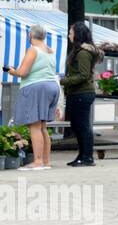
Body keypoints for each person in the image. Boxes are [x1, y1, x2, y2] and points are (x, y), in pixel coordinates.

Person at [3, 24, 60, 170]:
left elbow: (23, 72)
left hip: (36, 88)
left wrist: (12, 71)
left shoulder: (33, 50)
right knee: (42, 127)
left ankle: (37, 162)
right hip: (52, 86)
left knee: (34, 126)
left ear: (30, 35)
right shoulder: (50, 51)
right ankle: (46, 161)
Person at [62, 21, 102, 166]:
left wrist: (63, 81)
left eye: (71, 33)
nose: (69, 36)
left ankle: (87, 157)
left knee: (82, 125)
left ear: (77, 35)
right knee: (77, 125)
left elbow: (83, 75)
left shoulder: (83, 53)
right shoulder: (79, 51)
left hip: (82, 93)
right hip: (76, 93)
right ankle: (82, 155)